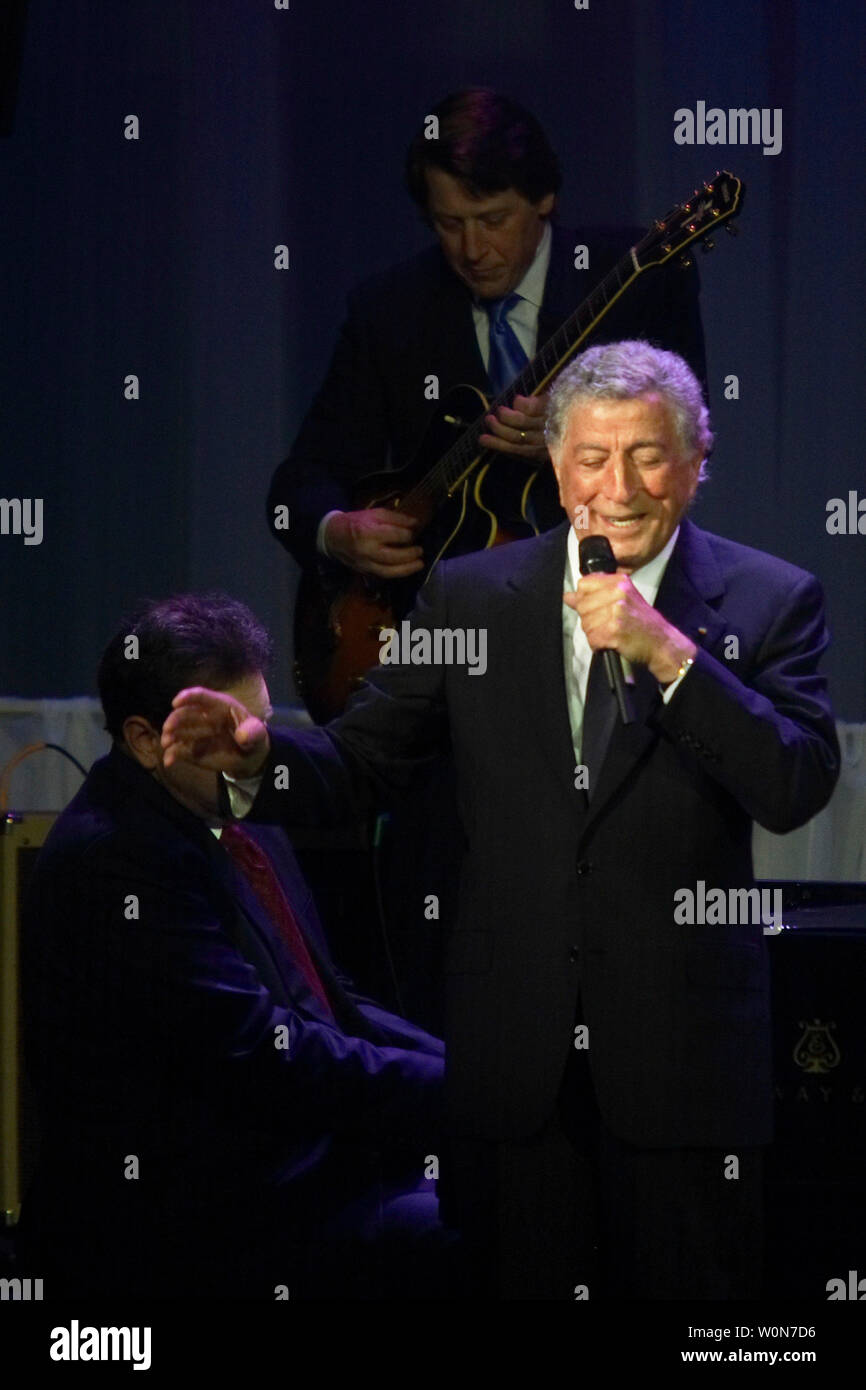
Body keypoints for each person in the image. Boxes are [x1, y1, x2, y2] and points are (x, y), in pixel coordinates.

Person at [164, 341, 840, 1300]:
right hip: (514, 1079)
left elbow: (796, 781)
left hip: (684, 1078)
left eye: (648, 455)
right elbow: (366, 759)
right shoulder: (471, 596)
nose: (620, 486)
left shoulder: (771, 600)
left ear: (696, 464)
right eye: (593, 457)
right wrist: (259, 755)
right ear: (557, 466)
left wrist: (669, 656)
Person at [17, 594, 449, 1300]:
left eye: (259, 733)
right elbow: (266, 1053)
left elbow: (331, 1000)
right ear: (140, 738)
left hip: (293, 1162)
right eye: (226, 741)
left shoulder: (238, 804)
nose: (251, 756)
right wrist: (462, 1095)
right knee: (476, 1230)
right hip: (192, 1222)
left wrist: (472, 1072)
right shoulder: (114, 858)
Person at [267, 87, 706, 581]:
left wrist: (579, 440)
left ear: (544, 197)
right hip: (437, 613)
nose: (473, 249)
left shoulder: (636, 278)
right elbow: (304, 477)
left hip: (610, 588)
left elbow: (687, 438)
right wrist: (337, 532)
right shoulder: (389, 310)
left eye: (493, 220)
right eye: (449, 224)